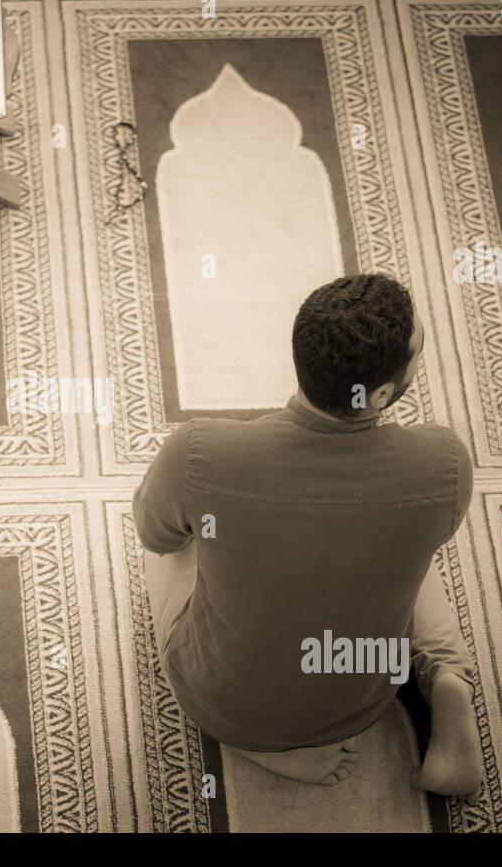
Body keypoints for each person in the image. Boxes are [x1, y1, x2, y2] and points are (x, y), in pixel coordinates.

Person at [134, 273, 481, 797]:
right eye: (419, 355)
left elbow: (156, 536)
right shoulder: (444, 462)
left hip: (225, 701)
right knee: (412, 546)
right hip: (362, 695)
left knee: (173, 536)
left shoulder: (200, 452)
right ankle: (448, 677)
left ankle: (256, 742)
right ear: (384, 392)